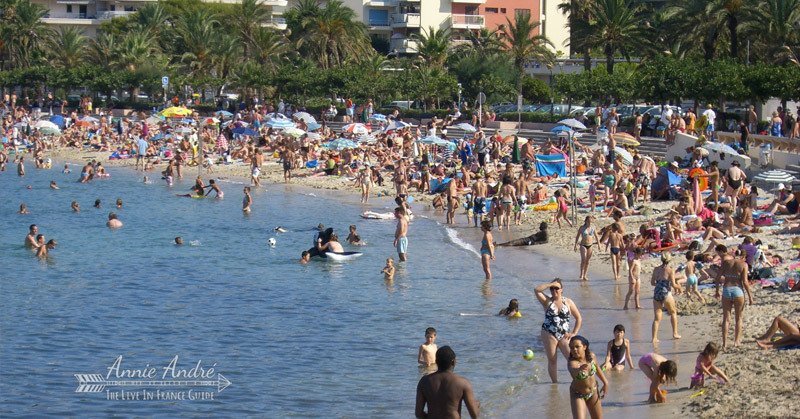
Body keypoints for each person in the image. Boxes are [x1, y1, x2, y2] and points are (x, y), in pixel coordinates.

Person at [535, 279, 582, 383]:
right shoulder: (547, 301)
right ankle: (555, 384)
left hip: (564, 334)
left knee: (572, 358)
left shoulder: (568, 302)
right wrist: (551, 284)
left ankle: (578, 380)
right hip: (548, 333)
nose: (554, 290)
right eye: (552, 289)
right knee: (552, 360)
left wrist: (574, 333)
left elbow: (578, 318)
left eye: (556, 288)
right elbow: (537, 290)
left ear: (562, 290)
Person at [415, 346, 480, 419]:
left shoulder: (424, 381)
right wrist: (476, 406)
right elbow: (474, 416)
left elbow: (418, 413)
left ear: (436, 361)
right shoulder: (463, 383)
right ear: (453, 362)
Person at [714, 244, 752, 348]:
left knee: (726, 319)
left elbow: (717, 278)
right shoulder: (744, 264)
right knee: (739, 318)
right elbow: (745, 282)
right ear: (743, 257)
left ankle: (725, 343)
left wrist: (717, 291)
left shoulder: (726, 263)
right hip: (738, 290)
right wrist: (750, 296)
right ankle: (736, 342)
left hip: (727, 290)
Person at [567, 335, 609, 419]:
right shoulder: (572, 362)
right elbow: (573, 371)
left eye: (577, 347)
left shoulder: (591, 356)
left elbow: (597, 368)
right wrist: (579, 369)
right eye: (571, 348)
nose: (574, 349)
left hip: (593, 392)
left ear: (584, 347)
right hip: (578, 394)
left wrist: (605, 382)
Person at [651, 252, 681, 343]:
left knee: (657, 318)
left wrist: (659, 285)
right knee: (673, 312)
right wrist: (679, 287)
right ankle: (675, 333)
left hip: (657, 292)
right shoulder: (670, 270)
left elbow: (652, 283)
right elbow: (673, 284)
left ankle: (654, 338)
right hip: (666, 293)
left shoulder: (656, 269)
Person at [574, 216, 600, 281]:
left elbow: (597, 236)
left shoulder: (593, 228)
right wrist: (575, 245)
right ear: (586, 221)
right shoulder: (582, 228)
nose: (589, 223)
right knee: (583, 260)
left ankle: (585, 275)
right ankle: (581, 274)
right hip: (583, 245)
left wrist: (599, 245)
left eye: (590, 221)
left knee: (587, 261)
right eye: (588, 221)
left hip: (590, 245)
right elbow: (577, 236)